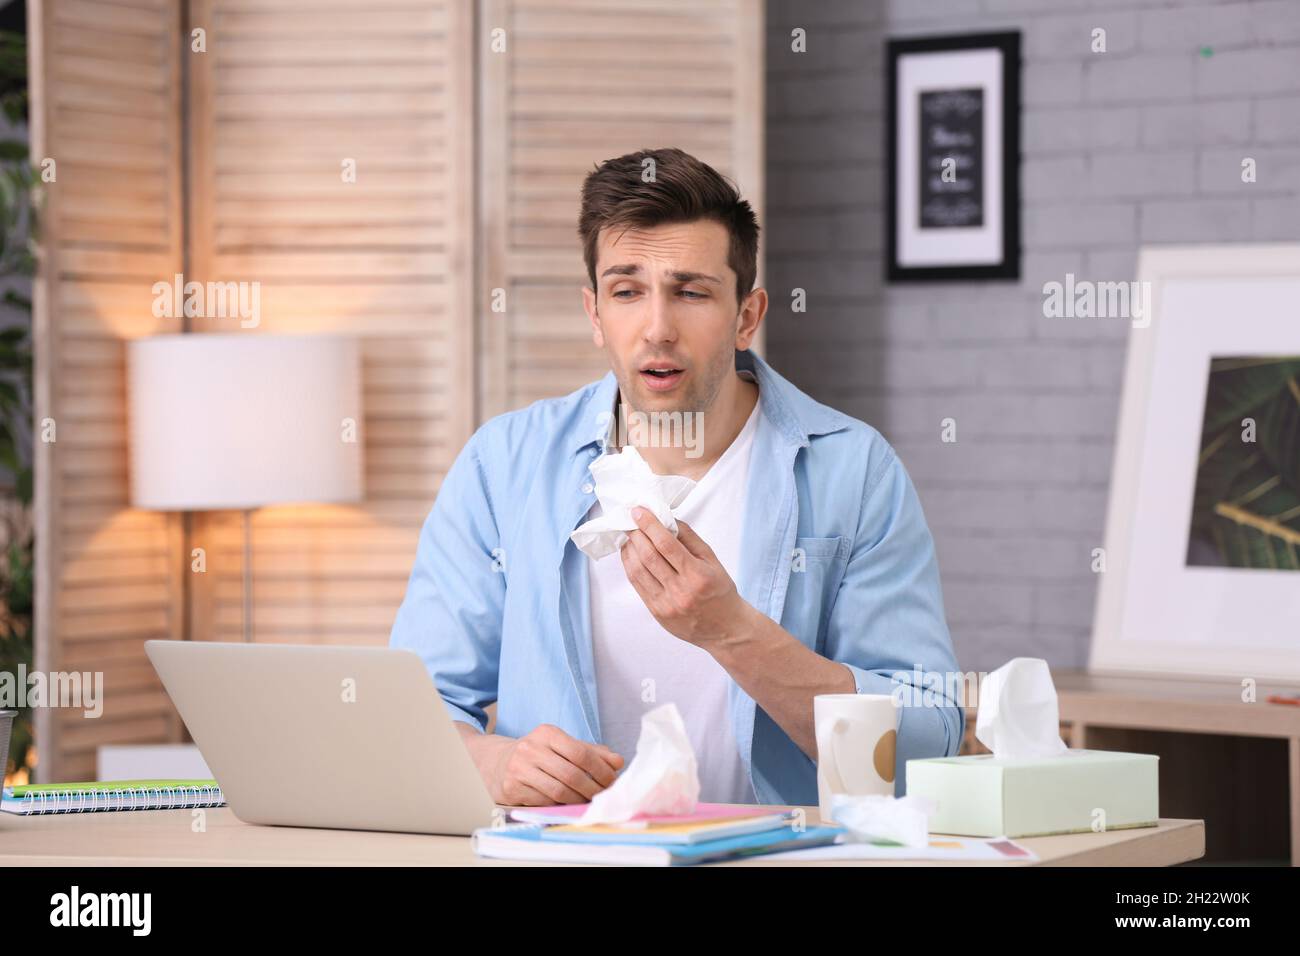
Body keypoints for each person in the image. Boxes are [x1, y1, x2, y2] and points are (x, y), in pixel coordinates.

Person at [390, 147, 964, 807]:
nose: (657, 329)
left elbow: (925, 745)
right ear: (595, 313)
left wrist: (732, 632)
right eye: (627, 291)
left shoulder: (854, 471)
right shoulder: (502, 465)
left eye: (691, 292)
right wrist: (494, 765)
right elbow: (419, 709)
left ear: (747, 316)